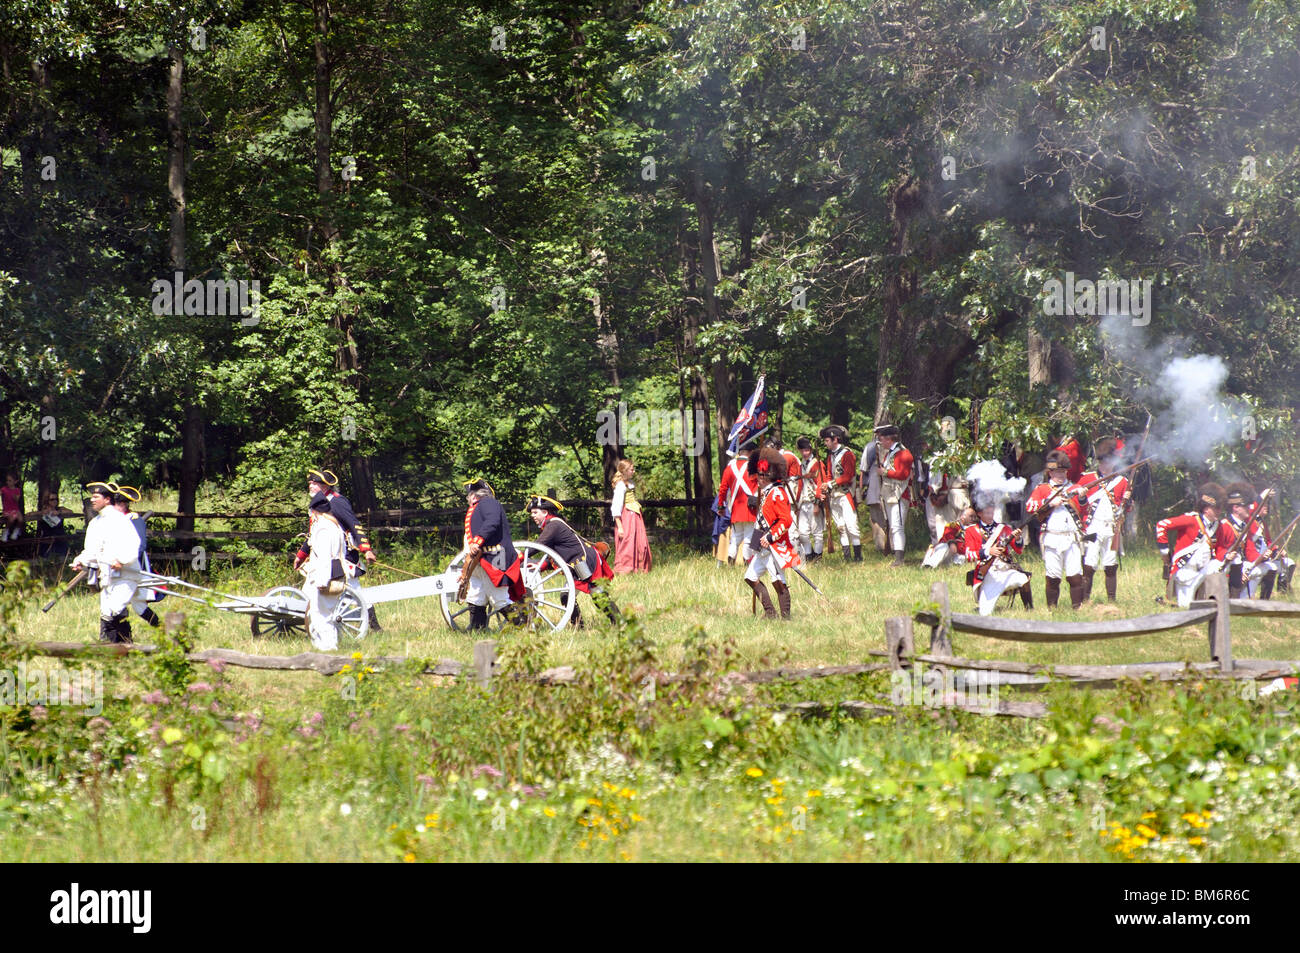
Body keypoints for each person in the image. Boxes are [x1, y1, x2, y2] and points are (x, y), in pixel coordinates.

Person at [294, 468, 383, 631]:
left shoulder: (337, 501)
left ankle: (374, 627)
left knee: (354, 590)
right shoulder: (317, 504)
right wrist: (301, 554)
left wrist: (366, 549)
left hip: (342, 554)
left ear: (325, 485)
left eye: (314, 483)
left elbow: (354, 525)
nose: (311, 486)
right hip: (320, 555)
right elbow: (312, 533)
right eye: (310, 483)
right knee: (309, 588)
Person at [526, 494, 618, 628]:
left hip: (585, 562)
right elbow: (556, 554)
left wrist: (520, 556)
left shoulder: (553, 525)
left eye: (535, 512)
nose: (532, 516)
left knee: (595, 595)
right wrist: (541, 565)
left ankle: (614, 623)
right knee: (581, 595)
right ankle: (580, 626)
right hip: (579, 563)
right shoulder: (552, 524)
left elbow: (539, 546)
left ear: (545, 512)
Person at [70, 481, 143, 644]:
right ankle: (118, 650)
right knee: (108, 611)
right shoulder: (95, 523)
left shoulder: (120, 520)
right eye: (92, 497)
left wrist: (121, 561)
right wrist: (80, 561)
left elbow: (133, 544)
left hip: (126, 575)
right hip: (107, 576)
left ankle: (114, 647)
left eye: (96, 497)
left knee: (113, 610)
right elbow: (91, 550)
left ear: (107, 499)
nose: (92, 500)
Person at [1025, 450, 1089, 609]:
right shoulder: (1042, 489)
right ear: (1050, 472)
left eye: (1063, 471)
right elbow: (1030, 507)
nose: (1060, 475)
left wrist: (1082, 496)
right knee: (1053, 577)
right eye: (1057, 471)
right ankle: (1052, 609)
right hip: (1051, 538)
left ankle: (1077, 607)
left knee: (1075, 576)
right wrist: (1050, 503)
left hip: (1071, 538)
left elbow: (1085, 510)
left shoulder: (1074, 487)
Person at [1155, 483, 1235, 608]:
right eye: (1216, 508)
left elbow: (1220, 548)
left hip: (1203, 570)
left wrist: (1226, 556)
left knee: (1218, 565)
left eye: (1220, 508)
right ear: (1206, 508)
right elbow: (1162, 525)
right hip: (1185, 570)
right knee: (1186, 606)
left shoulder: (1217, 526)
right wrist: (1164, 552)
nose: (1219, 511)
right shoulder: (1191, 519)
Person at [743, 446, 800, 620]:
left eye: (761, 476)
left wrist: (770, 536)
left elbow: (786, 521)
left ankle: (786, 618)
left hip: (773, 545)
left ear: (768, 477)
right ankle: (770, 612)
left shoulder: (777, 493)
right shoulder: (767, 492)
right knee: (750, 577)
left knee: (778, 581)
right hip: (762, 545)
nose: (758, 479)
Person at [462, 478, 525, 629]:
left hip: (495, 557)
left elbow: (492, 522)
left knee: (499, 599)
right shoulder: (479, 506)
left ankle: (522, 628)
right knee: (476, 596)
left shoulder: (488, 503)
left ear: (474, 495)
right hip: (481, 559)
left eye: (468, 496)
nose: (468, 500)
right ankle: (477, 630)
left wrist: (477, 541)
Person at [1078, 438, 1131, 602]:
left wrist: (1128, 500)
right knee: (1089, 565)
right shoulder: (1087, 479)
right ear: (1099, 461)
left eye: (1111, 461)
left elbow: (1125, 510)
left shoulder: (1122, 482)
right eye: (1105, 461)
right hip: (1093, 527)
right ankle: (1085, 600)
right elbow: (1078, 505)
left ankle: (1111, 601)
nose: (1108, 465)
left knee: (1110, 565)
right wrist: (1080, 497)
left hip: (1112, 528)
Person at [302, 492, 354, 650]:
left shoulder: (324, 528)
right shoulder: (335, 526)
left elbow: (324, 557)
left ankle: (328, 648)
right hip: (336, 571)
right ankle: (328, 646)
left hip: (326, 574)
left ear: (316, 512)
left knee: (320, 615)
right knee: (326, 614)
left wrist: (321, 581)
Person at [963, 501, 1033, 616]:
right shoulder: (971, 531)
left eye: (992, 512)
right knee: (985, 613)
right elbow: (969, 555)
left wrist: (1019, 538)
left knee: (1023, 579)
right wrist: (987, 551)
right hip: (987, 573)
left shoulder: (1003, 528)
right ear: (979, 514)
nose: (991, 516)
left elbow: (1019, 550)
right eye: (987, 513)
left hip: (1005, 569)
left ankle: (1030, 610)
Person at [112, 485, 162, 627]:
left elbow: (140, 546)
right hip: (115, 567)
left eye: (116, 504)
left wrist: (124, 561)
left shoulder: (133, 519)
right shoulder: (113, 520)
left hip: (132, 566)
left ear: (122, 504)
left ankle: (163, 630)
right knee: (125, 604)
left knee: (137, 605)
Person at [819, 425, 861, 561]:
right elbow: (829, 474)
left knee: (851, 526)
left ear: (835, 439)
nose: (825, 443)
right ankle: (847, 556)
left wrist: (829, 483)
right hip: (834, 495)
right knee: (841, 527)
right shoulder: (831, 455)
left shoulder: (847, 454)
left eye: (827, 441)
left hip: (846, 494)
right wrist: (827, 485)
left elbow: (848, 476)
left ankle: (858, 557)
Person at [874, 424, 914, 567]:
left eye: (883, 439)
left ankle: (899, 559)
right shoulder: (891, 453)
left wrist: (884, 472)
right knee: (894, 526)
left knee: (897, 527)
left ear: (889, 439)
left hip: (899, 494)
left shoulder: (903, 453)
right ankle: (898, 557)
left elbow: (903, 475)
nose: (881, 442)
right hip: (890, 493)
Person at [715, 449, 758, 566]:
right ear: (749, 452)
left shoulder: (730, 468)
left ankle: (730, 564)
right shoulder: (754, 466)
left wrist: (721, 506)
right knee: (749, 539)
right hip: (751, 509)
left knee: (735, 539)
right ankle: (747, 566)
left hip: (736, 509)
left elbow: (723, 489)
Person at [1222, 483, 1265, 599]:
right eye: (1246, 506)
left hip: (1239, 566)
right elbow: (1218, 554)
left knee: (1261, 569)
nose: (1249, 509)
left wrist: (1263, 557)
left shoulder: (1244, 526)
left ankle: (1246, 599)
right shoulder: (1225, 526)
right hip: (1226, 568)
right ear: (1235, 508)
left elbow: (1250, 551)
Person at [611, 458, 653, 573]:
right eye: (631, 470)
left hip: (634, 516)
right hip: (626, 518)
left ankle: (639, 568)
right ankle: (625, 568)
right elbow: (616, 507)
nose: (633, 472)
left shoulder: (630, 484)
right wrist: (620, 526)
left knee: (639, 541)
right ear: (624, 471)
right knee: (627, 542)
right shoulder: (620, 486)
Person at [792, 437, 826, 561]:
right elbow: (800, 485)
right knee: (803, 533)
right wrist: (797, 504)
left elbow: (821, 483)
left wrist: (817, 503)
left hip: (813, 502)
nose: (805, 453)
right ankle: (808, 555)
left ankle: (818, 558)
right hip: (803, 503)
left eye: (807, 450)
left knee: (817, 533)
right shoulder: (801, 466)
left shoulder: (817, 463)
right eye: (803, 450)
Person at [857, 435, 889, 553]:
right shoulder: (871, 447)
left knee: (886, 519)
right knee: (876, 519)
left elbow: (863, 470)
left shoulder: (896, 447)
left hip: (888, 486)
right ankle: (881, 547)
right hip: (875, 487)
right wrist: (861, 490)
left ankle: (891, 546)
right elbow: (863, 470)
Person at [35, 491, 69, 560]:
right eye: (52, 499)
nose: (54, 501)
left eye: (56, 499)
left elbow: (70, 511)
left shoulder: (60, 509)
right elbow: (30, 514)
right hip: (48, 539)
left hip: (60, 537)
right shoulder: (44, 511)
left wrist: (59, 512)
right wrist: (41, 513)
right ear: (47, 501)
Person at [1, 471, 23, 542]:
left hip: (15, 509)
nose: (8, 482)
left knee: (21, 519)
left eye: (10, 481)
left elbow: (17, 499)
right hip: (7, 510)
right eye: (7, 480)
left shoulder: (17, 490)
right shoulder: (4, 489)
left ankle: (16, 531)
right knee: (11, 519)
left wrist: (15, 497)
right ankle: (5, 532)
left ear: (15, 481)